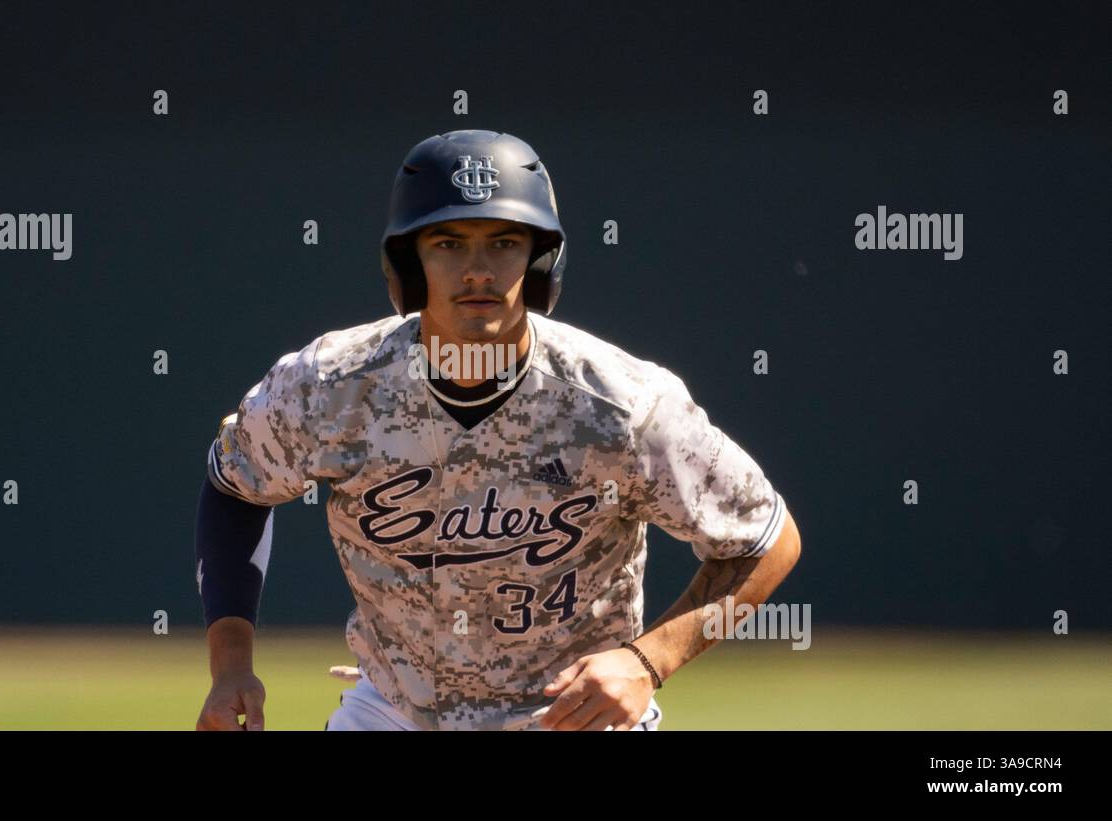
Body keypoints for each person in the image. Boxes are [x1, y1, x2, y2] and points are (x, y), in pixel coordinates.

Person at [194, 129, 801, 731]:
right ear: (408, 261)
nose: (478, 270)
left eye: (505, 242)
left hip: (571, 719)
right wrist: (230, 666)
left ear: (540, 261)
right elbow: (235, 488)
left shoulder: (623, 405)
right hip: (395, 712)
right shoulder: (329, 388)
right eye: (449, 243)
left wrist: (650, 660)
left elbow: (767, 539)